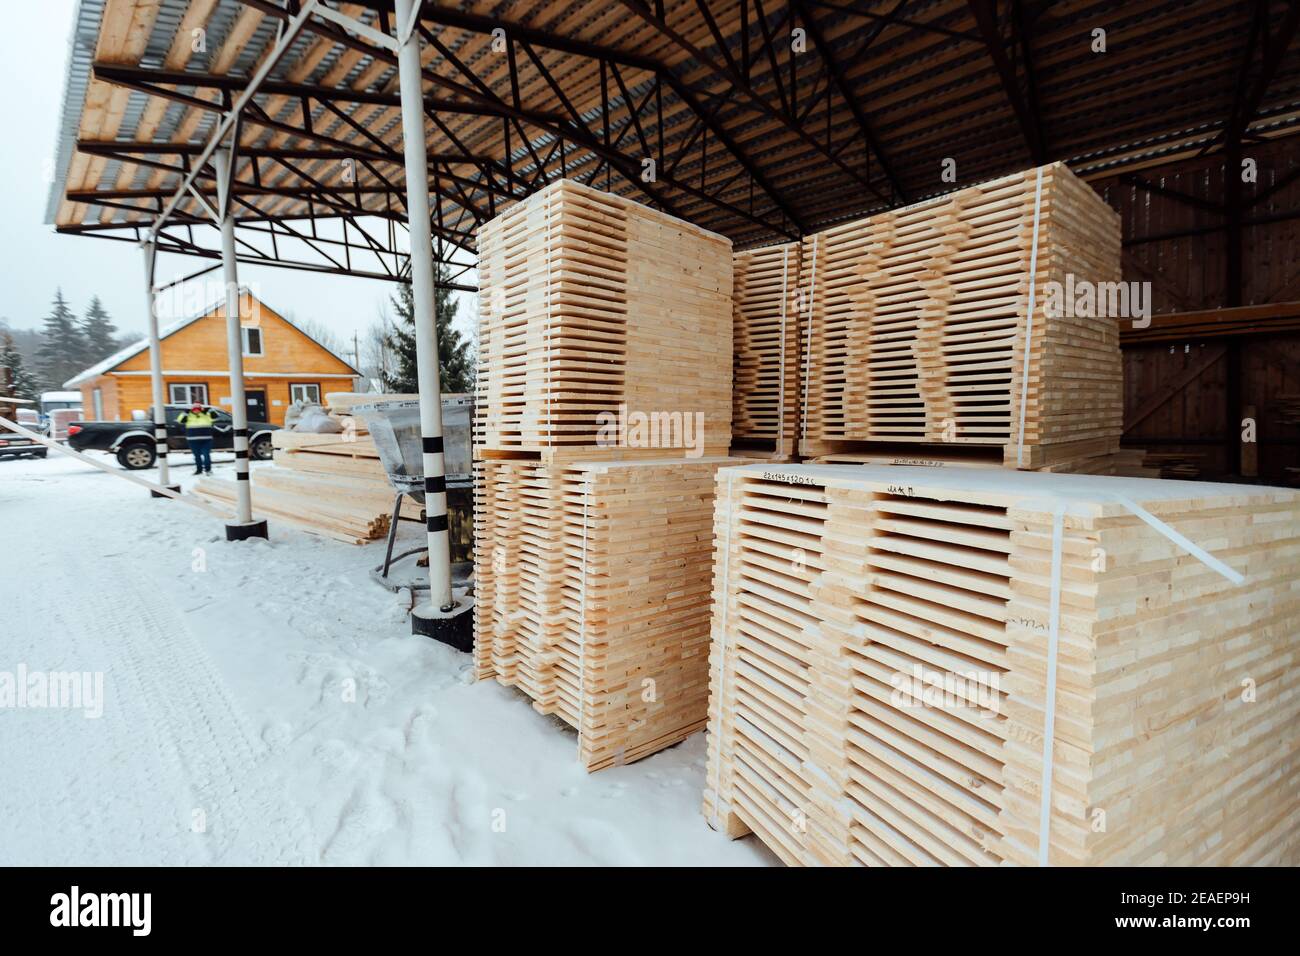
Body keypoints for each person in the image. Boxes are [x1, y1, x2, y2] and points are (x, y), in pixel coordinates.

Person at [177, 404, 215, 475]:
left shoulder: (206, 415)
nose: (196, 410)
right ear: (192, 409)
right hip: (193, 440)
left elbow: (215, 417)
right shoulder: (188, 415)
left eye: (198, 409)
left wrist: (211, 410)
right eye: (194, 409)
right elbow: (180, 420)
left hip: (206, 439)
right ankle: (199, 470)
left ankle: (208, 470)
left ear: (201, 409)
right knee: (197, 456)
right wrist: (185, 413)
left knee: (206, 455)